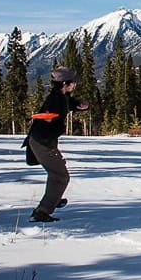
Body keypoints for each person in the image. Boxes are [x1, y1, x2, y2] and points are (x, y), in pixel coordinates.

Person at [27, 66, 89, 222]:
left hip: (44, 142)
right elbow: (47, 116)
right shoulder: (54, 99)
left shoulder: (61, 96)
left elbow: (68, 103)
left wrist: (78, 106)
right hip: (42, 143)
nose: (74, 85)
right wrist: (50, 120)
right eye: (73, 82)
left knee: (57, 174)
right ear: (64, 84)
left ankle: (52, 199)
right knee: (61, 177)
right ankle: (44, 210)